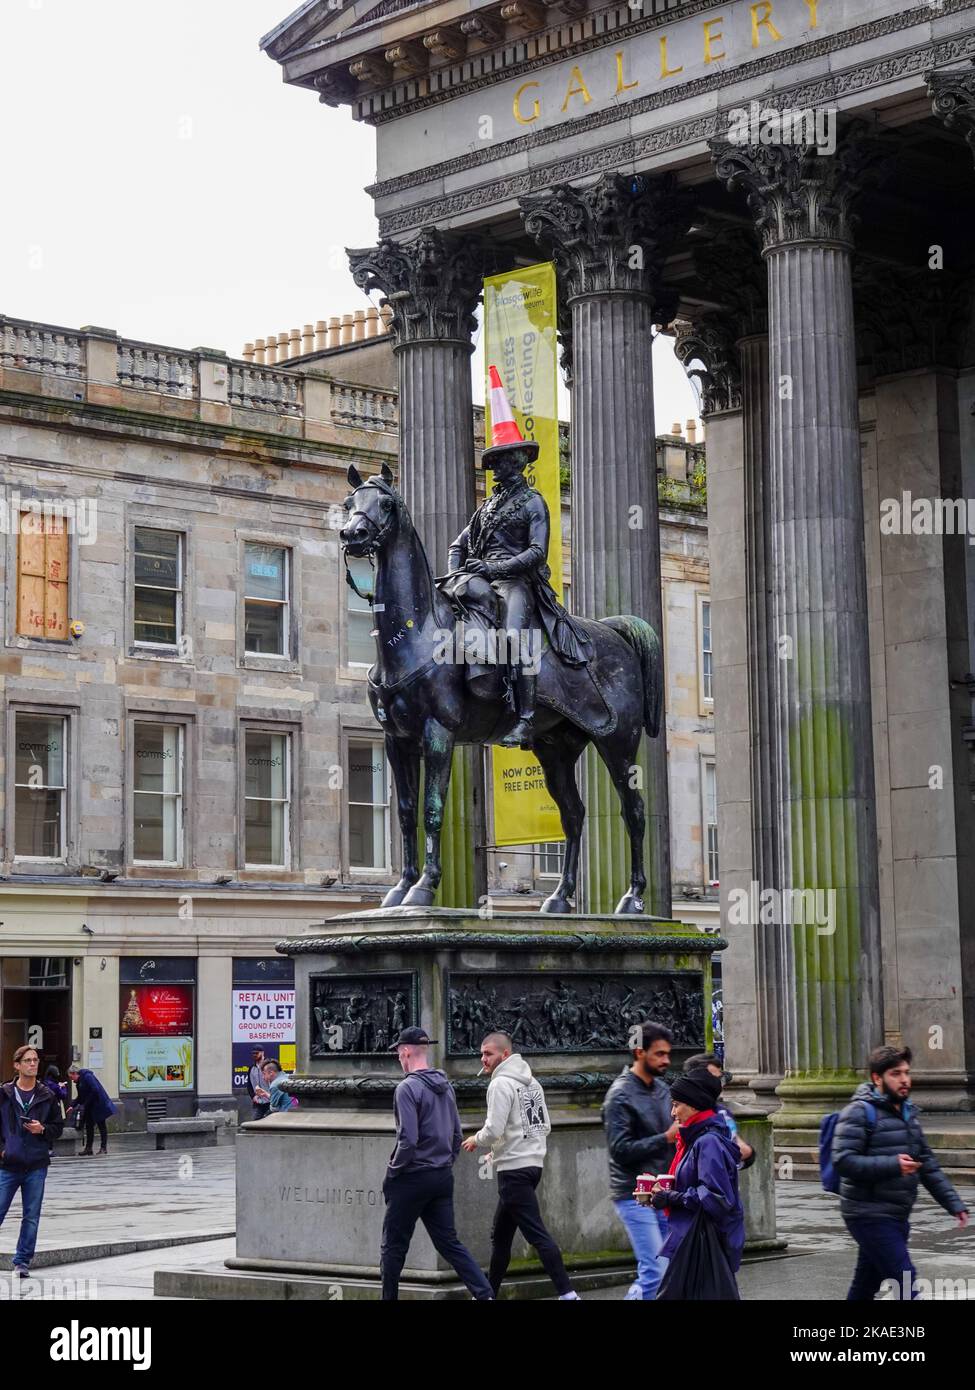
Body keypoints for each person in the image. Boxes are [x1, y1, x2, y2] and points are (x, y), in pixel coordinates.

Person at [443, 367, 590, 748]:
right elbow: (457, 546)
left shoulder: (533, 503)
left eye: (507, 460)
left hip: (516, 582)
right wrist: (455, 575)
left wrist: (491, 567)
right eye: (497, 461)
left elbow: (537, 553)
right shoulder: (486, 508)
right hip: (479, 580)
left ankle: (524, 716)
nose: (500, 467)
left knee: (512, 638)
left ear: (520, 461)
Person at [833, 1045, 968, 1301]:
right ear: (877, 1078)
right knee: (905, 1281)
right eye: (896, 1073)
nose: (905, 1080)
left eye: (907, 1072)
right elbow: (843, 1161)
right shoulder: (859, 1112)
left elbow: (927, 1164)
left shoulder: (908, 1115)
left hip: (896, 1214)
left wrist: (954, 1203)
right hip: (867, 1214)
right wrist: (893, 1164)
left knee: (864, 1286)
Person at [461, 1031, 579, 1300]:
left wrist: (475, 1140)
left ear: (504, 1054)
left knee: (537, 1235)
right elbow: (541, 1126)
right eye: (482, 1053)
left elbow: (493, 1129)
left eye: (488, 1053)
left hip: (513, 1172)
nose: (483, 1058)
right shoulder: (532, 1082)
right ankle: (488, 1294)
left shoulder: (500, 1084)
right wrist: (498, 1153)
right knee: (500, 1236)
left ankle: (568, 1294)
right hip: (531, 1166)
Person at [381, 1026, 494, 1301]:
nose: (398, 1058)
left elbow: (408, 1140)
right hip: (441, 1176)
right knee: (449, 1243)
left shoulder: (407, 1088)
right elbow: (457, 1134)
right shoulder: (445, 1085)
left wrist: (393, 1171)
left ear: (406, 1051)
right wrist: (445, 1163)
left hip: (412, 1177)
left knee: (393, 1247)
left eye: (398, 1053)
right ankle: (486, 1294)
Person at [650, 1067, 745, 1293]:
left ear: (693, 1105)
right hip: (692, 1238)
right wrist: (663, 1195)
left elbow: (715, 1197)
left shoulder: (707, 1142)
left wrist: (671, 1197)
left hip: (699, 1241)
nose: (672, 1113)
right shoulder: (697, 1139)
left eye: (676, 1104)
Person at [602, 1021, 679, 1299]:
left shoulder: (662, 1089)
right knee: (655, 1271)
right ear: (639, 1053)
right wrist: (665, 1138)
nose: (666, 1060)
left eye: (667, 1054)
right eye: (659, 1054)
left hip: (663, 1192)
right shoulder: (619, 1095)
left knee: (665, 1270)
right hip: (634, 1195)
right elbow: (620, 1149)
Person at [0, 1045, 64, 1276]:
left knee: (31, 1216)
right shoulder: (5, 1093)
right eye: (27, 1060)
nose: (33, 1064)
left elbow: (58, 1127)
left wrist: (43, 1129)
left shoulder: (47, 1095)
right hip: (8, 1164)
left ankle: (22, 1262)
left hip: (36, 1164)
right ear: (17, 1065)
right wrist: (2, 1149)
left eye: (35, 1060)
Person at [682, 1052, 755, 1168]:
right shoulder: (679, 1111)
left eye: (720, 1079)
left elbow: (738, 1147)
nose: (720, 1085)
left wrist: (748, 1153)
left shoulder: (722, 1113)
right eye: (713, 1079)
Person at [66, 1063, 117, 1156]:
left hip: (98, 1104)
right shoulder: (79, 1082)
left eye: (71, 1077)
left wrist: (85, 1104)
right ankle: (88, 1148)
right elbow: (80, 1096)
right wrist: (72, 1105)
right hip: (90, 1106)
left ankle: (103, 1148)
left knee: (101, 1125)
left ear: (74, 1073)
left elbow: (95, 1090)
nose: (71, 1079)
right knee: (89, 1126)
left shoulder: (87, 1077)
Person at [247, 1048, 270, 1121]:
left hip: (270, 1101)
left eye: (257, 1053)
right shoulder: (252, 1068)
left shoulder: (269, 1066)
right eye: (253, 1053)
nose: (254, 1055)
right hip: (258, 1102)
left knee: (270, 1123)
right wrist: (253, 1096)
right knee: (255, 1122)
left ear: (262, 1053)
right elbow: (249, 1084)